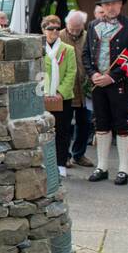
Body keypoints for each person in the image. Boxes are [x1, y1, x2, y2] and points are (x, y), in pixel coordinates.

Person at [82, 0, 128, 186]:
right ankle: (102, 166)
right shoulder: (93, 25)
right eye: (107, 4)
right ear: (102, 7)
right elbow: (86, 55)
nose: (111, 7)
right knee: (101, 124)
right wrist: (94, 75)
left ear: (121, 5)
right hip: (98, 83)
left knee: (121, 123)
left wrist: (111, 77)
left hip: (119, 84)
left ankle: (124, 169)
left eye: (115, 3)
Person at [41, 17, 77, 176]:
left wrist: (60, 92)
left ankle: (61, 162)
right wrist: (43, 92)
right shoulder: (38, 48)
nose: (54, 31)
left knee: (62, 131)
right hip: (42, 96)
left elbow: (71, 72)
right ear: (43, 30)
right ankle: (44, 162)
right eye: (50, 28)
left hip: (63, 98)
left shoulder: (67, 49)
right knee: (43, 131)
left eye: (57, 28)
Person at [59, 10, 93, 167]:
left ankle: (79, 155)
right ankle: (64, 156)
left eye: (77, 29)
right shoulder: (59, 36)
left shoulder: (88, 37)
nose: (74, 32)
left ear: (83, 26)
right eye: (71, 28)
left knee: (85, 123)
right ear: (66, 25)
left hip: (84, 89)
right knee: (64, 126)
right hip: (66, 89)